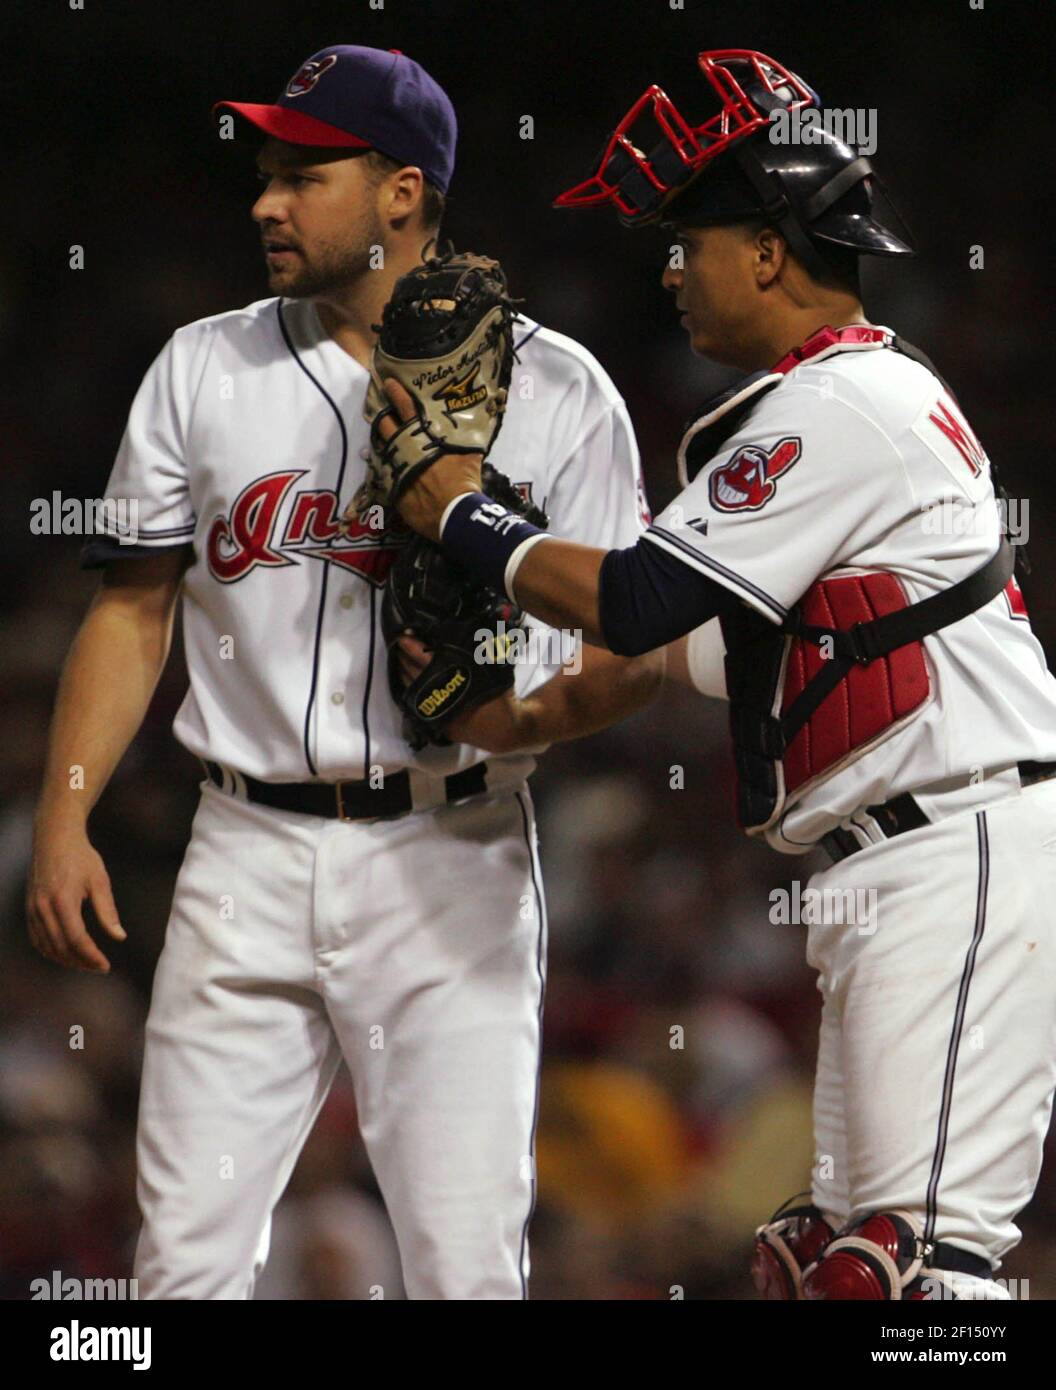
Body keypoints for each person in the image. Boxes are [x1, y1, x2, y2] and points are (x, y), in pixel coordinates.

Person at [379, 49, 1056, 1300]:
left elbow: (636, 595)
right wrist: (497, 713)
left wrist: (462, 513)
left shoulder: (847, 402)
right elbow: (647, 656)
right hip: (898, 870)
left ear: (767, 250)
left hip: (960, 851)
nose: (672, 269)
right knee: (820, 1264)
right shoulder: (828, 413)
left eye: (690, 239)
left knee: (921, 1271)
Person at [25, 44, 661, 1301]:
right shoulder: (202, 366)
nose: (265, 201)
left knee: (465, 1269)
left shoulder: (556, 387)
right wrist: (65, 808)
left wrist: (525, 710)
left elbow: (631, 650)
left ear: (404, 192)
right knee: (177, 1275)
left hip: (454, 850)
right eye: (263, 174)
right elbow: (132, 609)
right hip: (240, 848)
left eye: (305, 173)